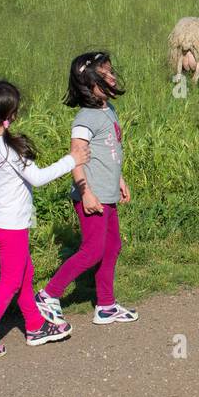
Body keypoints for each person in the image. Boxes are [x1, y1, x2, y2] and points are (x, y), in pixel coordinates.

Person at [0, 81, 85, 357]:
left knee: (25, 275)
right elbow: (37, 179)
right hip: (12, 225)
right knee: (11, 281)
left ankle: (36, 326)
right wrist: (71, 160)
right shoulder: (11, 148)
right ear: (10, 114)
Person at [36, 51, 138, 327]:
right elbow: (76, 160)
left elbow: (110, 151)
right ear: (88, 84)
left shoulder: (109, 110)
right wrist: (86, 193)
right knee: (93, 250)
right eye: (104, 74)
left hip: (108, 192)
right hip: (91, 196)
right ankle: (48, 295)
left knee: (112, 245)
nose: (112, 76)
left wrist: (119, 179)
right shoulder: (85, 119)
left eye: (111, 71)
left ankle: (106, 306)